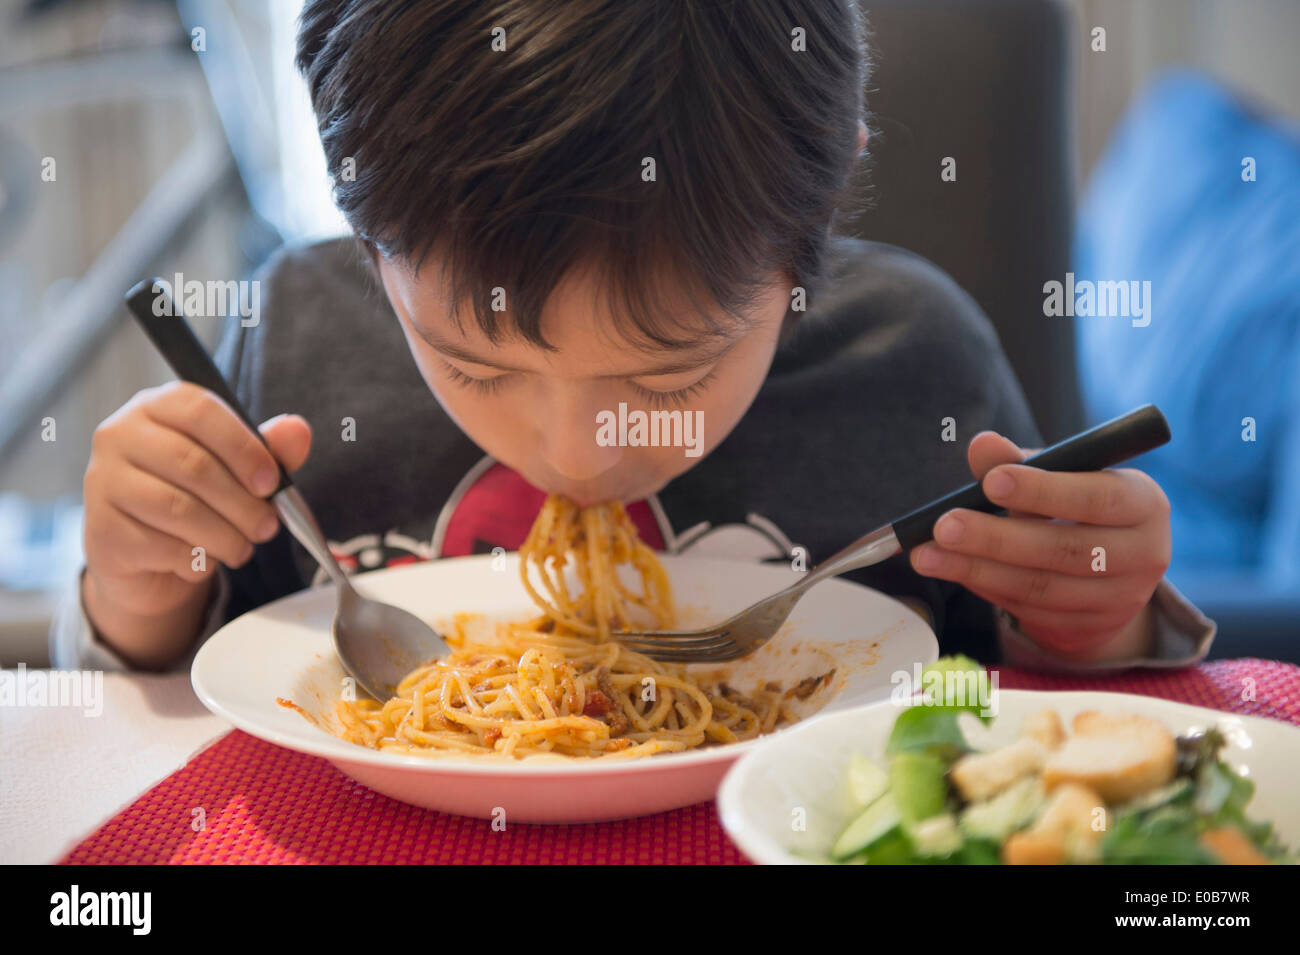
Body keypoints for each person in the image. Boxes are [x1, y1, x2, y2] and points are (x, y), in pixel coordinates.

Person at [53, 0, 1213, 675]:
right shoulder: (297, 333)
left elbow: (1002, 708)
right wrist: (138, 585)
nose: (575, 451)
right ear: (369, 241)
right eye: (473, 363)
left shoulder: (914, 365)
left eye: (668, 370)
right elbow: (189, 686)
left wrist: (1098, 621)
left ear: (805, 225)